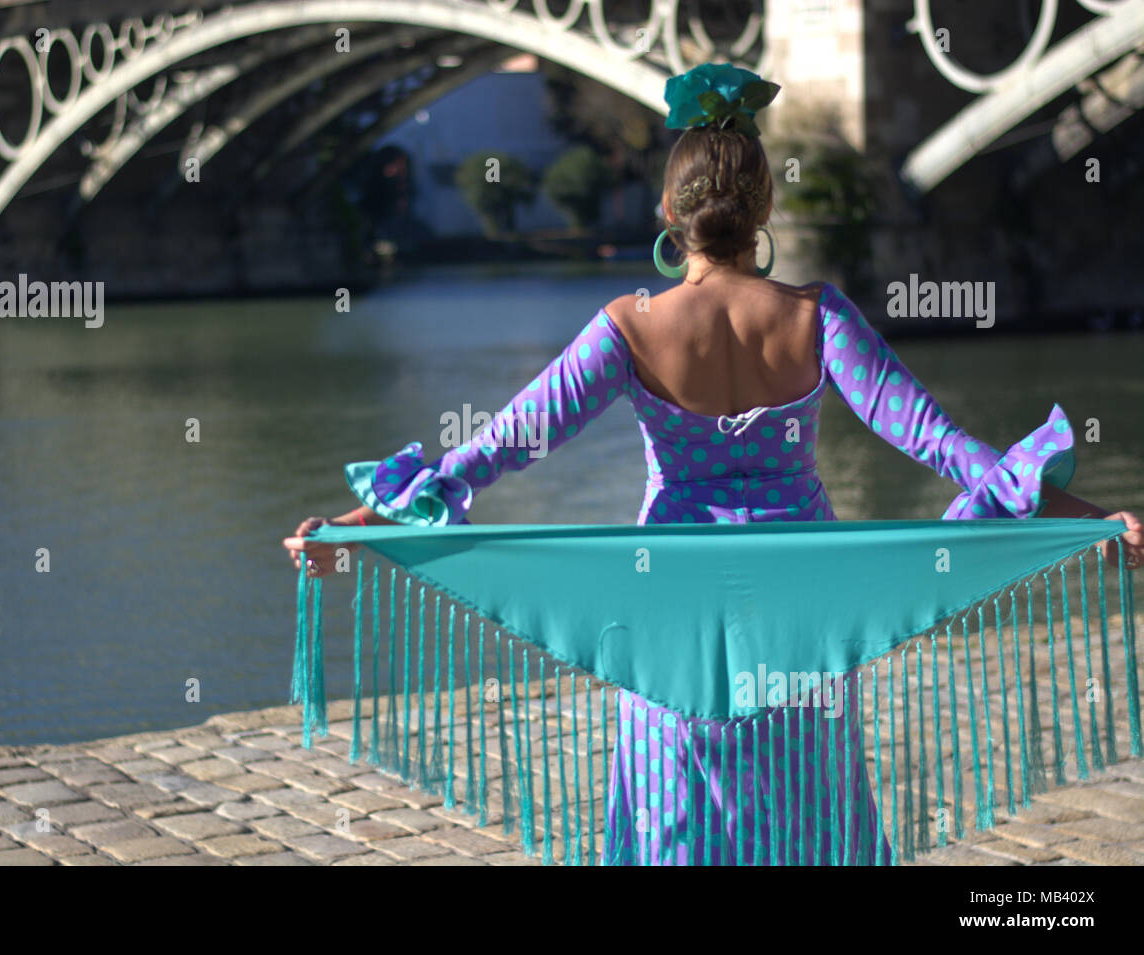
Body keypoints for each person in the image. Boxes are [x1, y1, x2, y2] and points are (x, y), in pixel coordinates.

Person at [285, 63, 1143, 865]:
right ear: (764, 207)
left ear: (670, 210)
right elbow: (941, 445)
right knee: (808, 804)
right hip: (801, 606)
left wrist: (369, 520)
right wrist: (1094, 515)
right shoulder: (818, 316)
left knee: (675, 813)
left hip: (673, 604)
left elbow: (501, 444)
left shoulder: (628, 325)